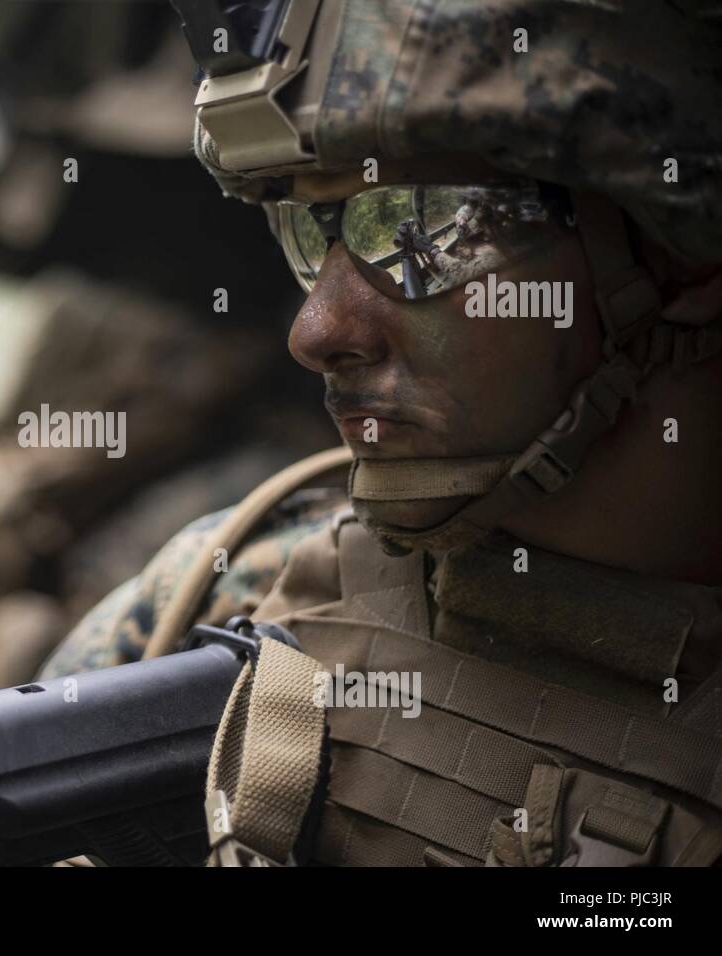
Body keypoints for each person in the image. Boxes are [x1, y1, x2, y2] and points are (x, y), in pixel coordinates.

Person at [41, 0, 722, 866]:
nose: (316, 330)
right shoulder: (232, 590)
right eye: (304, 232)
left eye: (419, 228)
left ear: (681, 255)